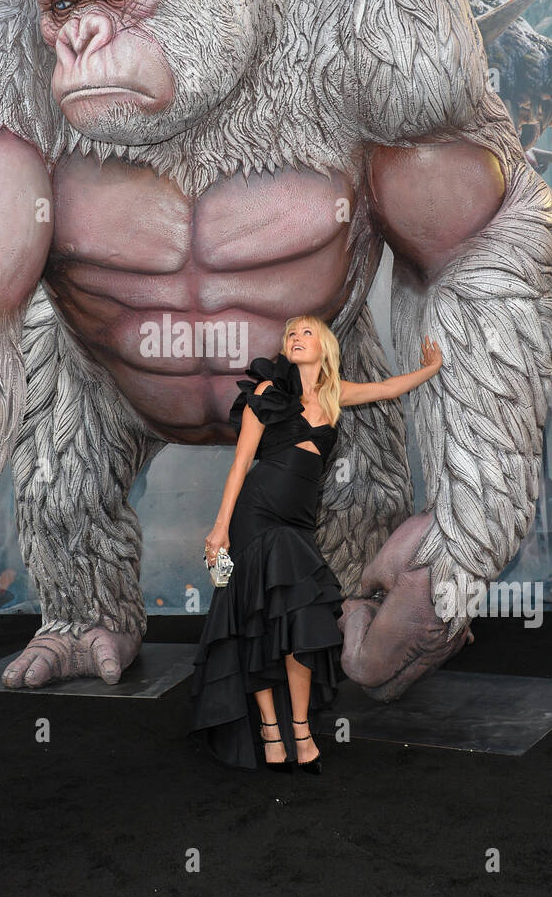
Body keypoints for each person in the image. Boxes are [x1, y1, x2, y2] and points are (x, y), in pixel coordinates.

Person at [189, 314, 443, 774]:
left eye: (307, 332)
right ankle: (270, 732)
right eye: (291, 334)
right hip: (256, 516)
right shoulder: (266, 393)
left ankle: (301, 731)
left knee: (301, 623)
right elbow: (241, 463)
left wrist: (430, 369)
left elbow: (387, 389)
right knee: (257, 622)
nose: (297, 337)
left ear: (325, 346)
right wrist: (220, 527)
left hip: (299, 521)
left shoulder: (334, 393)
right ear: (285, 350)